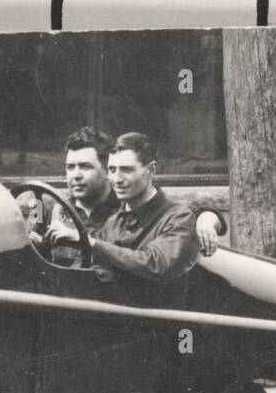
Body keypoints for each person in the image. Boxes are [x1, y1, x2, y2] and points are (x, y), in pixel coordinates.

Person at [44, 131, 203, 308]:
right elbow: (86, 267)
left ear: (151, 170)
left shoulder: (177, 217)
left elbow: (157, 264)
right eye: (112, 170)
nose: (117, 179)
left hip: (161, 326)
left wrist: (93, 243)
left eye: (126, 170)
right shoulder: (114, 222)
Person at [26, 126, 221, 264]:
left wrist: (207, 218)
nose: (75, 176)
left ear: (104, 171)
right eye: (70, 167)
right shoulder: (53, 207)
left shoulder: (126, 204)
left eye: (85, 167)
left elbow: (178, 211)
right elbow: (37, 246)